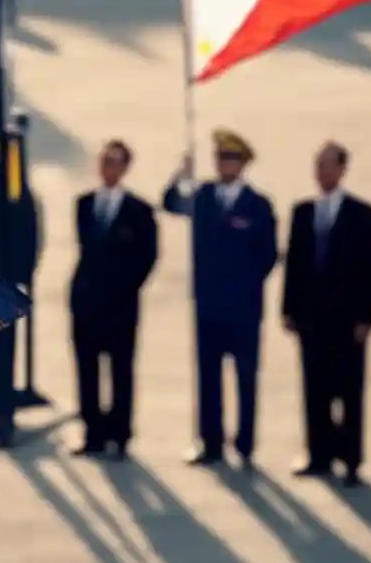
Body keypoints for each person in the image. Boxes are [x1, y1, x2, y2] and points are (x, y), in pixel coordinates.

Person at [162, 130, 278, 466]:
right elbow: (169, 202)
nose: (224, 164)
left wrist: (244, 286)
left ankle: (245, 443)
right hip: (208, 305)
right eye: (221, 158)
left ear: (243, 164)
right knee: (208, 377)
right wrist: (181, 173)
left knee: (245, 377)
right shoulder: (203, 196)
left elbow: (267, 255)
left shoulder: (257, 205)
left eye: (231, 159)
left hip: (243, 308)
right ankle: (210, 441)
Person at [281, 141, 371, 486]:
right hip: (311, 318)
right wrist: (288, 308)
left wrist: (367, 318)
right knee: (315, 389)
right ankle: (318, 454)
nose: (322, 171)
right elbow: (293, 263)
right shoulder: (303, 211)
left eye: (328, 165)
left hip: (347, 320)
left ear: (342, 169)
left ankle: (351, 458)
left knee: (349, 390)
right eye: (318, 164)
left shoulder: (361, 214)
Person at [70, 140, 158, 459]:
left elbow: (147, 257)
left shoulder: (139, 211)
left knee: (121, 371)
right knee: (87, 371)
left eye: (115, 162)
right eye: (105, 160)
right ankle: (92, 432)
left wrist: (124, 290)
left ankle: (119, 434)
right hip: (87, 302)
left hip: (120, 305)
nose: (108, 167)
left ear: (125, 168)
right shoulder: (84, 203)